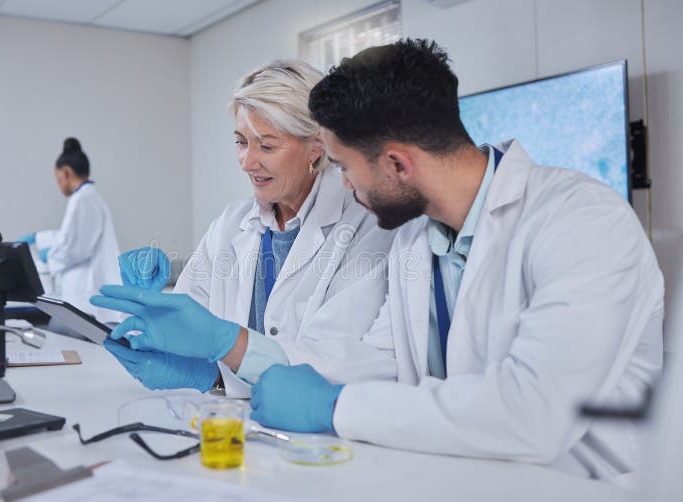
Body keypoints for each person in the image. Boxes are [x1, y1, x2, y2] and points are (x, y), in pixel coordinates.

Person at [245, 39, 665, 480]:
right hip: (461, 479)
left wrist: (332, 407)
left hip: (582, 487)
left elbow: (533, 416)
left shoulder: (584, 222)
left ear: (397, 164)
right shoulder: (414, 237)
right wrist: (248, 354)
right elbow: (376, 360)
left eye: (345, 168)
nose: (345, 187)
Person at [91, 60, 396, 393]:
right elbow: (185, 335)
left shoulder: (367, 225)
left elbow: (338, 361)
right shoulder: (231, 224)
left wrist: (227, 353)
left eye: (267, 145)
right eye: (241, 142)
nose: (248, 162)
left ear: (317, 145)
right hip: (230, 421)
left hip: (319, 436)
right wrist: (149, 310)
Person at [19, 138, 121, 322]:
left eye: (58, 178)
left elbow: (75, 248)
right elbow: (72, 237)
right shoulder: (87, 198)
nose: (58, 185)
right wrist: (39, 238)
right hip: (81, 296)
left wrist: (50, 256)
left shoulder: (83, 200)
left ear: (66, 172)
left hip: (85, 297)